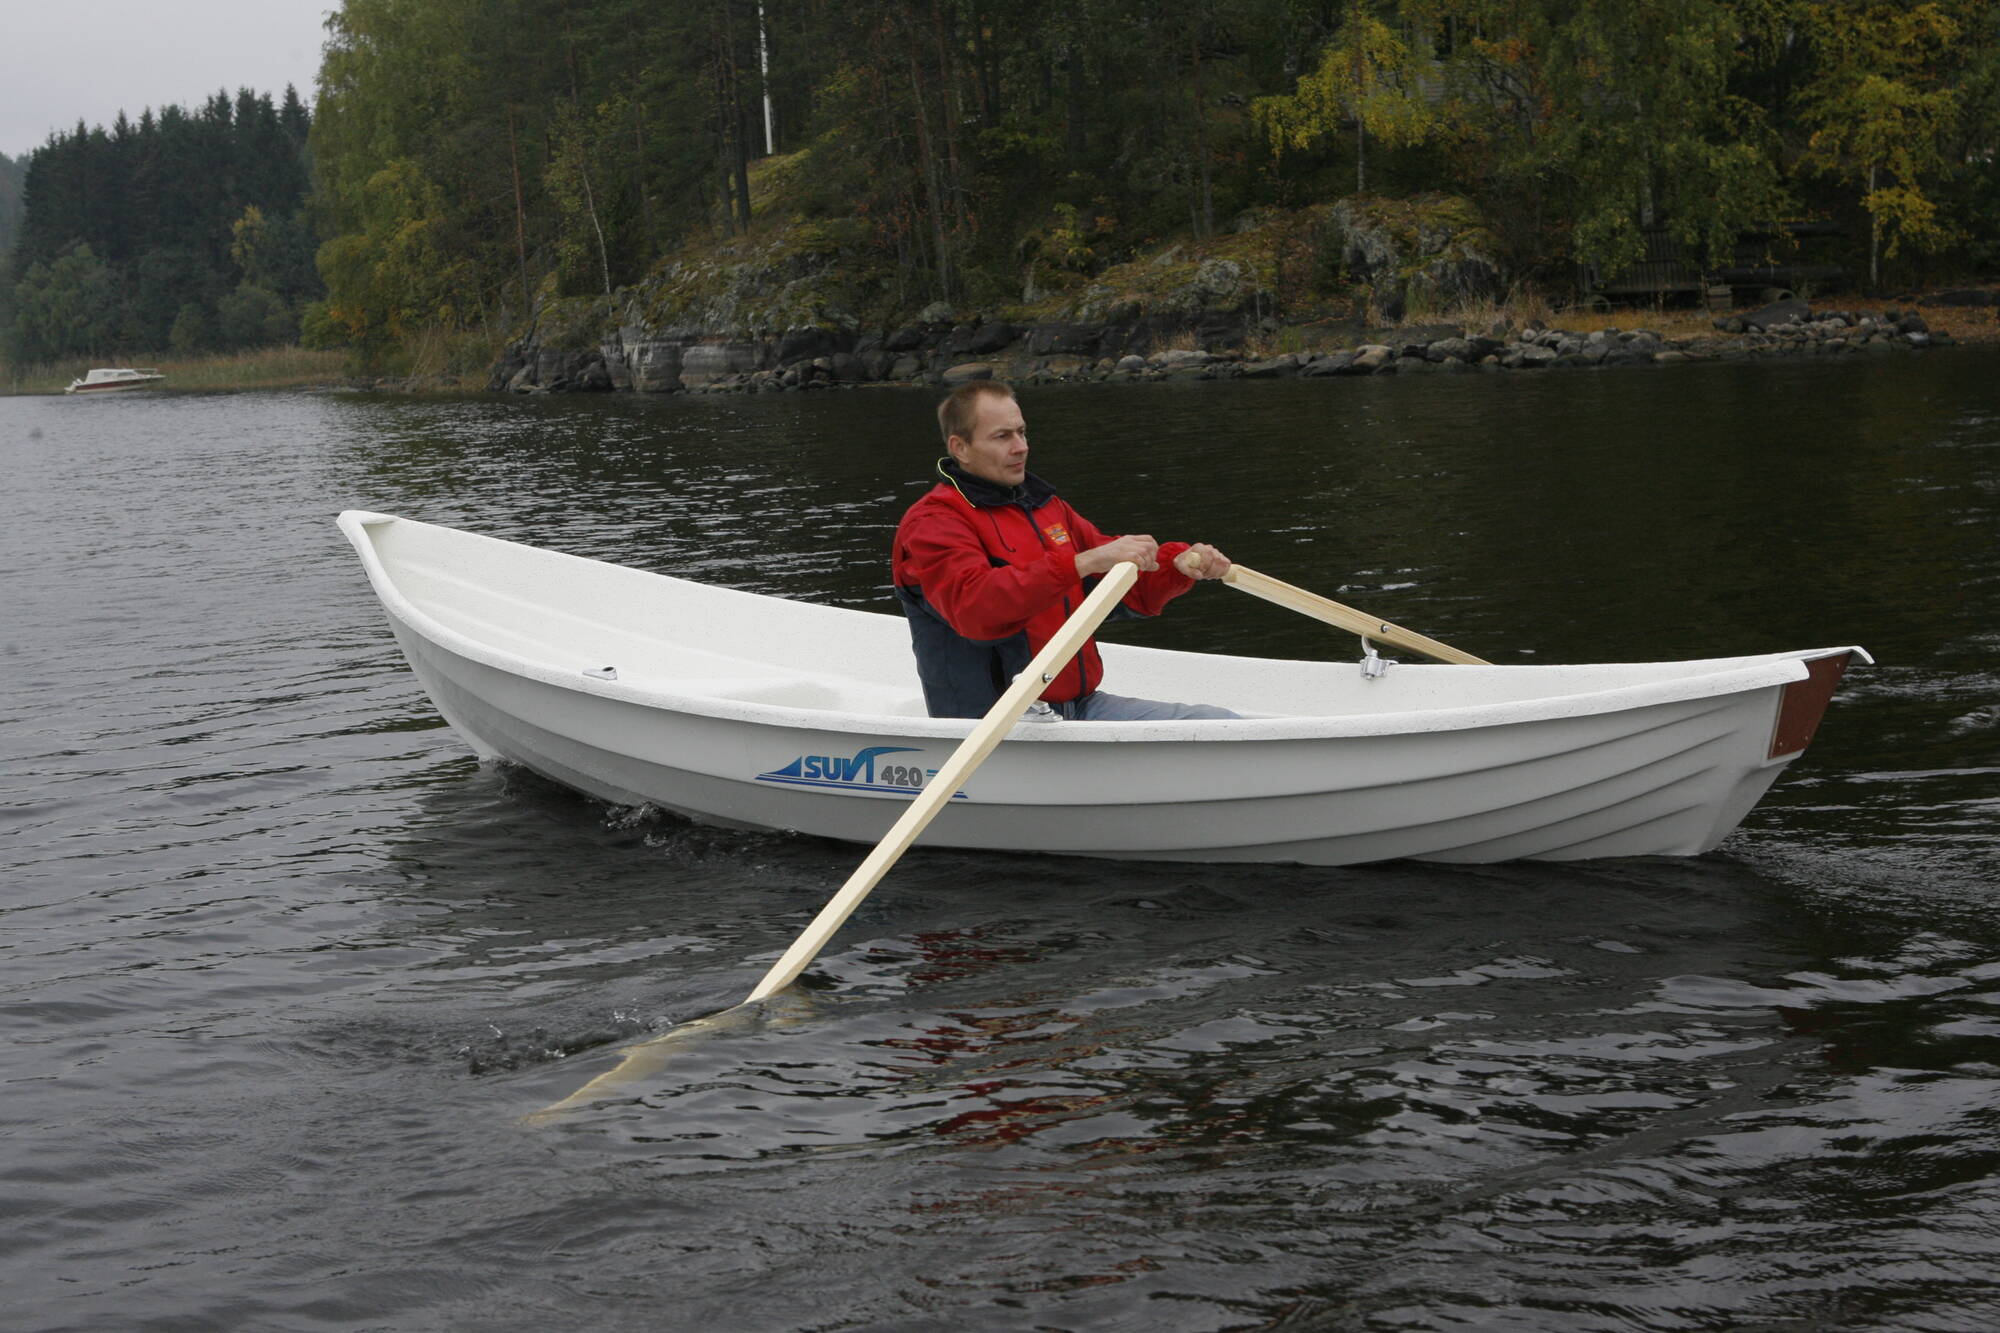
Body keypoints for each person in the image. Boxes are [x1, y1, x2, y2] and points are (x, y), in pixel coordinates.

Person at [891, 379, 1239, 721]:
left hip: (1077, 708)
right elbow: (976, 610)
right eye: (1002, 436)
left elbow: (1121, 590)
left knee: (1220, 722)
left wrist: (1176, 566)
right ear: (960, 448)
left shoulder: (1046, 508)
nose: (1021, 447)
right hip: (994, 726)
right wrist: (1080, 563)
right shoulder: (933, 523)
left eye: (1022, 432)